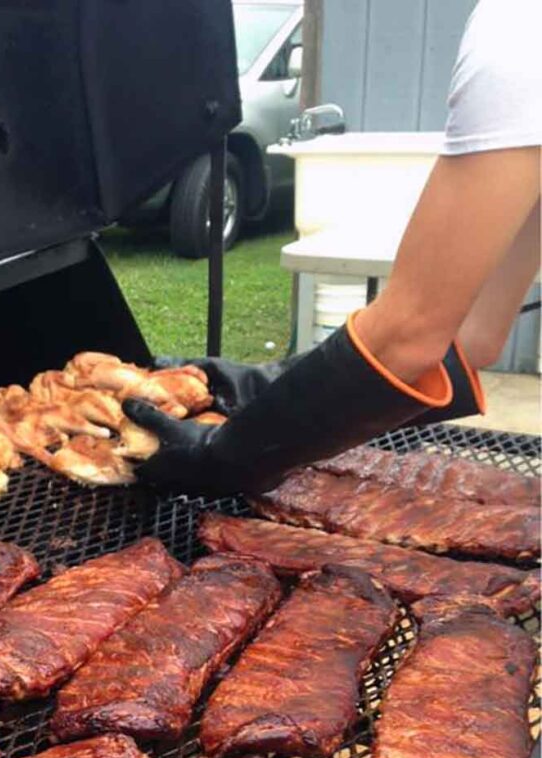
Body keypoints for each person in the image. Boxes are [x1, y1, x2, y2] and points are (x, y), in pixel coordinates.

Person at [124, 0, 541, 498]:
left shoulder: (520, 30)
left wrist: (226, 456)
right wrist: (268, 386)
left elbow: (411, 332)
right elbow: (476, 333)